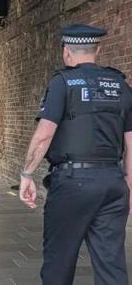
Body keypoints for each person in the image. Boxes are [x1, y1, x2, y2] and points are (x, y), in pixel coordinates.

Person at [19, 24, 132, 285]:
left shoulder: (63, 83)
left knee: (59, 262)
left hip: (72, 183)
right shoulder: (120, 85)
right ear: (98, 50)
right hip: (112, 183)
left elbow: (44, 135)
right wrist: (128, 183)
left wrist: (27, 174)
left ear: (66, 52)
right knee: (111, 265)